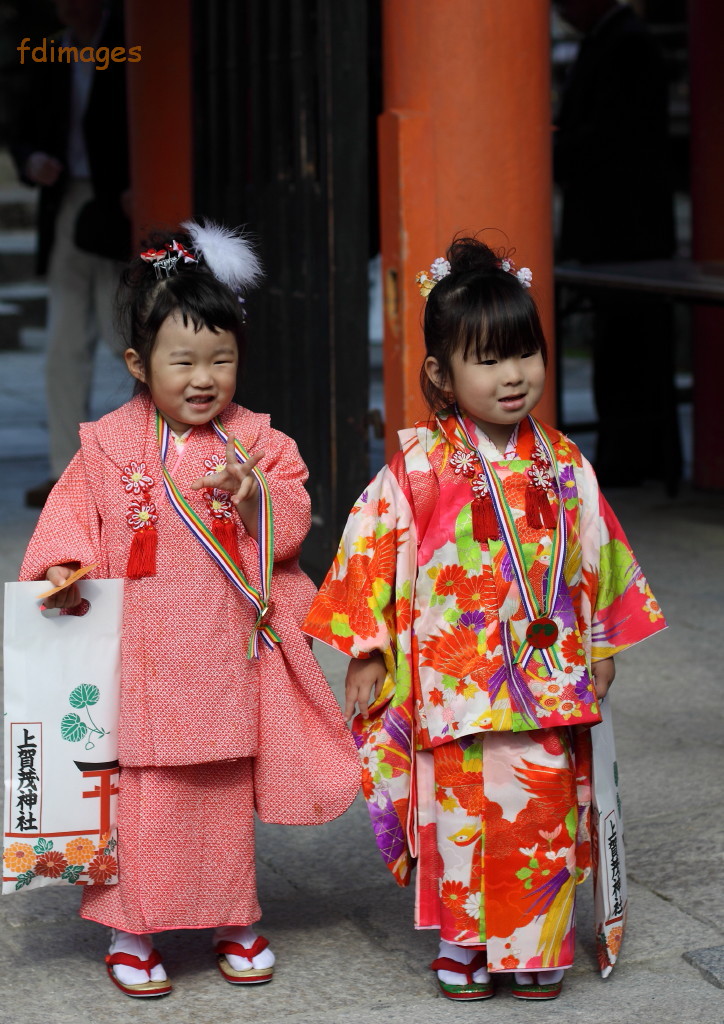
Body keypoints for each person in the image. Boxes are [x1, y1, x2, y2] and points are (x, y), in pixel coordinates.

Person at [303, 237, 666, 1001]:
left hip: (547, 680)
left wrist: (601, 640)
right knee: (461, 815)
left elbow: (596, 557)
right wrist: (368, 647)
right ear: (440, 373)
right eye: (488, 359)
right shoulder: (419, 469)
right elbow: (372, 545)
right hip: (455, 683)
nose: (513, 376)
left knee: (537, 814)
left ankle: (536, 944)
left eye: (524, 354)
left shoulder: (566, 463)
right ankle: (465, 945)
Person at [19, 222, 361, 998]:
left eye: (222, 360)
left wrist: (255, 498)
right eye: (184, 361)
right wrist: (64, 567)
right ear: (140, 364)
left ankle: (233, 917)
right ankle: (130, 928)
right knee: (142, 801)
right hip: (140, 658)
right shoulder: (106, 445)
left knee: (217, 802)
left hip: (220, 656)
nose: (205, 379)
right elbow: (71, 522)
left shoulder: (258, 443)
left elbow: (295, 522)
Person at [553, 0, 681, 491]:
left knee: (633, 351)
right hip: (621, 228)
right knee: (625, 351)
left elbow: (611, 139)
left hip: (626, 228)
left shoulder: (626, 43)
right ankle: (636, 458)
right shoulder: (615, 40)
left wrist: (556, 148)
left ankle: (637, 460)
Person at [9, 0, 131, 508]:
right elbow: (22, 126)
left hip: (120, 204)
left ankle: (144, 460)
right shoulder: (50, 52)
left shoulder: (130, 42)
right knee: (64, 341)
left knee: (122, 332)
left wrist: (138, 184)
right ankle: (66, 467)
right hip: (67, 203)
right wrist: (31, 160)